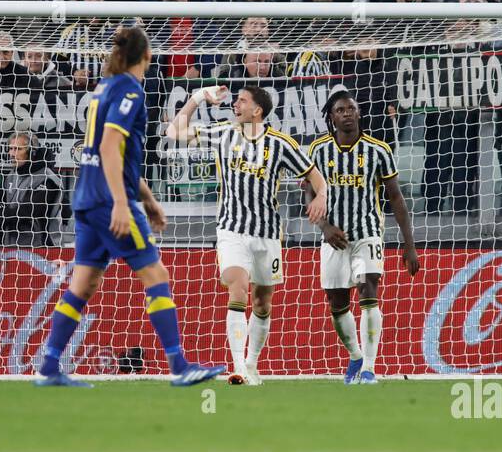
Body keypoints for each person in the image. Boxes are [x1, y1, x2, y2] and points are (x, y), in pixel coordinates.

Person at [34, 25, 225, 388]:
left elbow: (118, 155)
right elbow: (109, 148)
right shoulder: (131, 92)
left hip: (86, 199)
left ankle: (48, 366)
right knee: (156, 276)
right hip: (109, 201)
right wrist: (123, 204)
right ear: (148, 56)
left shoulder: (102, 88)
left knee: (83, 284)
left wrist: (149, 199)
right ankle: (179, 365)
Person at [167, 83, 328, 385]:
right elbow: (174, 133)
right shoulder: (224, 133)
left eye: (241, 101)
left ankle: (252, 364)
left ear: (258, 110)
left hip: (268, 234)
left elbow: (316, 178)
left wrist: (321, 197)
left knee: (263, 303)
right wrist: (197, 98)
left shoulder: (281, 144)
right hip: (231, 230)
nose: (235, 105)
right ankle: (238, 367)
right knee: (238, 288)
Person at [305, 91, 419, 382]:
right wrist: (325, 227)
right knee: (337, 303)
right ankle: (356, 356)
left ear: (359, 113)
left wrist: (409, 246)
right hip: (333, 238)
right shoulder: (318, 150)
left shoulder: (378, 150)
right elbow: (309, 192)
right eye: (340, 110)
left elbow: (396, 197)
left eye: (351, 109)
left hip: (368, 233)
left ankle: (369, 367)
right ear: (331, 117)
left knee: (369, 290)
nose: (346, 113)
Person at [0, 131, 63, 246]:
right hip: (14, 245)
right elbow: (6, 195)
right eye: (10, 149)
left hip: (42, 247)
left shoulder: (47, 179)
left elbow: (26, 212)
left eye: (18, 149)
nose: (12, 153)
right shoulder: (14, 173)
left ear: (32, 153)